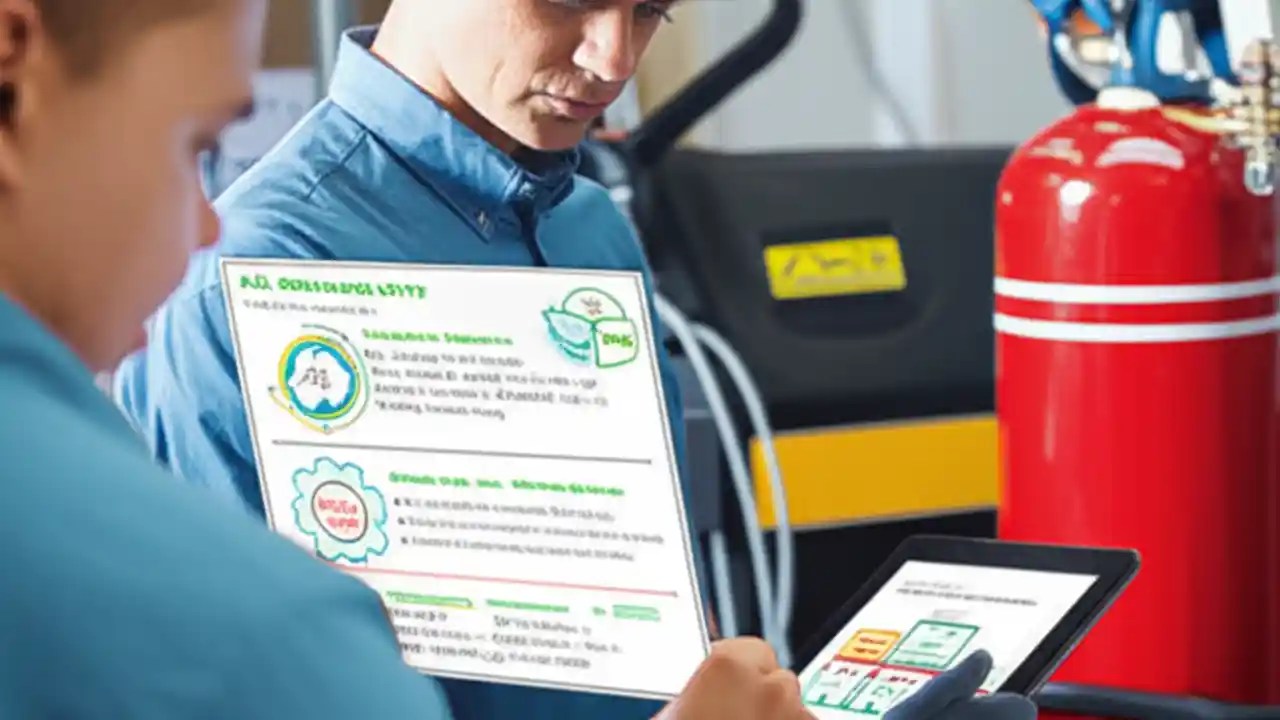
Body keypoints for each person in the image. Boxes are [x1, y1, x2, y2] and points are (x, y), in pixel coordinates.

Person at [0, 0, 997, 717]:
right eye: (567, 0)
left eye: (649, 11)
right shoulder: (251, 273)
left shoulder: (590, 231)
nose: (612, 58)